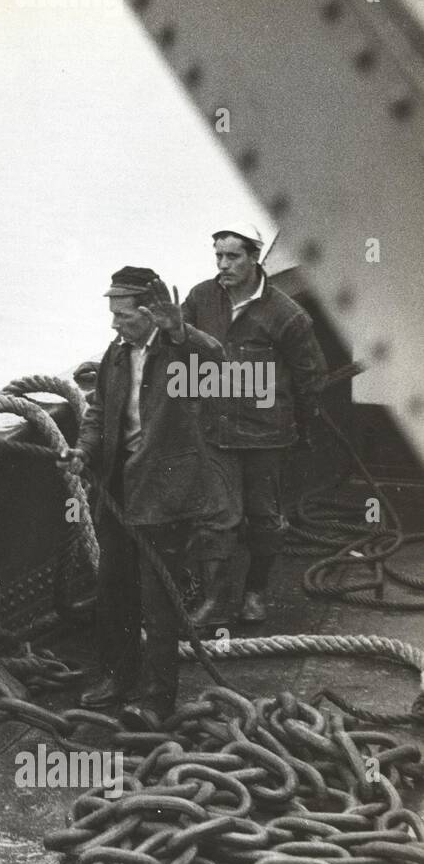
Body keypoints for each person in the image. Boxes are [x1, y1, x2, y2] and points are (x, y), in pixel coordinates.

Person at [60, 266, 232, 726]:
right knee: (114, 587)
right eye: (112, 314)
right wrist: (83, 450)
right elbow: (99, 410)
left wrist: (180, 330)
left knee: (159, 602)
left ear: (151, 313)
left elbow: (216, 362)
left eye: (122, 314)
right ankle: (117, 677)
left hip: (165, 494)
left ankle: (156, 700)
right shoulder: (117, 354)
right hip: (119, 489)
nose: (114, 324)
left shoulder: (179, 353)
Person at [182, 222, 326, 626]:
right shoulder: (200, 299)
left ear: (254, 257)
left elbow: (309, 377)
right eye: (218, 256)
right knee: (218, 519)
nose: (223, 265)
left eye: (232, 256)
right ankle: (214, 600)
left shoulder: (286, 316)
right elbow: (176, 348)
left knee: (264, 520)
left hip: (266, 436)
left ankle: (255, 593)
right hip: (215, 433)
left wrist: (298, 429)